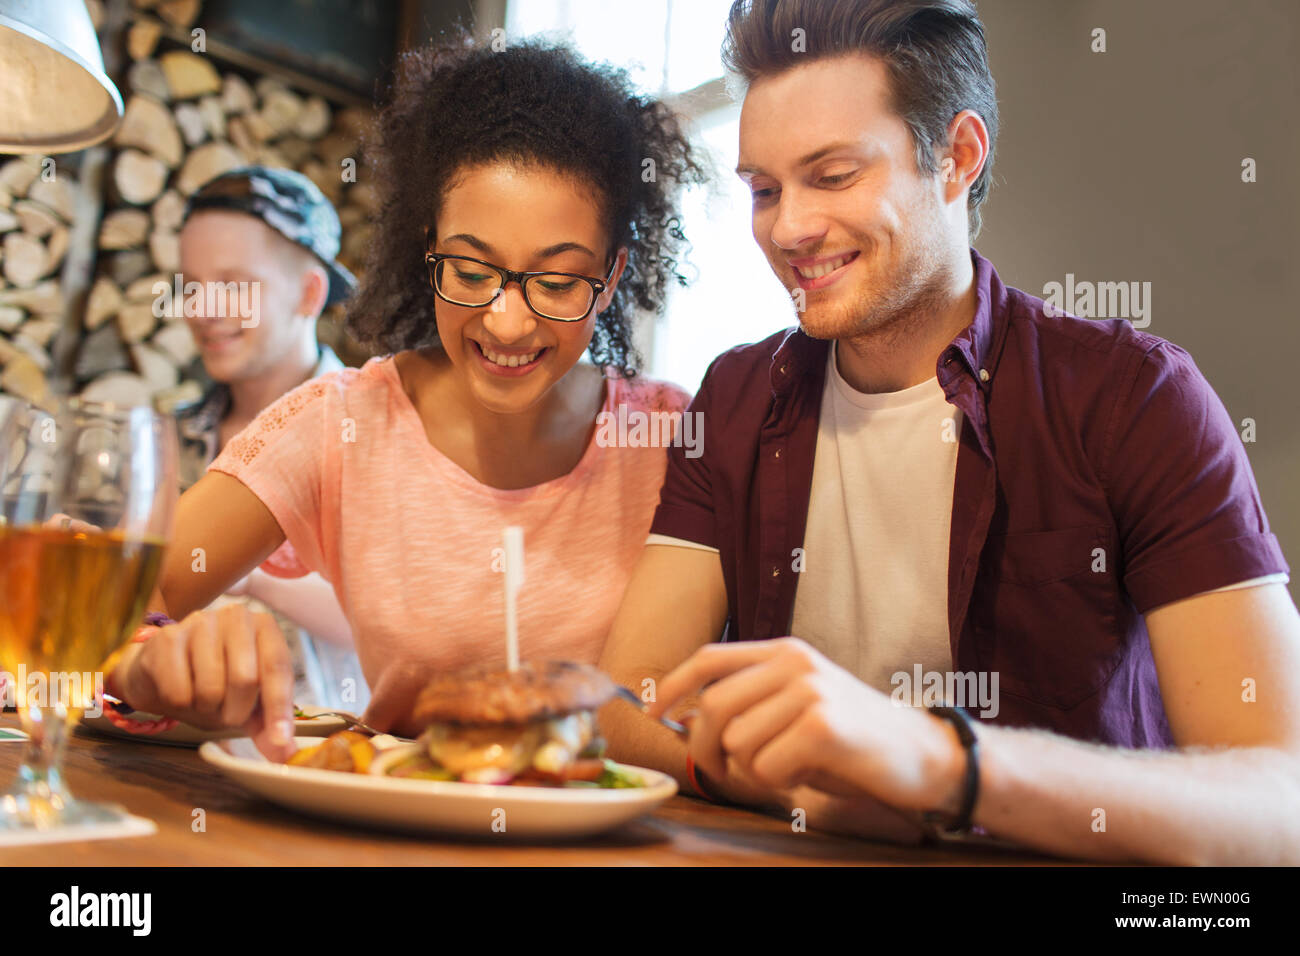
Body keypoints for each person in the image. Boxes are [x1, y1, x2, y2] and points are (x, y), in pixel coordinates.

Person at [598, 0, 1300, 865]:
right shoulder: (738, 396)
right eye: (765, 190)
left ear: (959, 157)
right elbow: (626, 710)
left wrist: (939, 762)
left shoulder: (1132, 397)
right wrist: (805, 786)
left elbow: (1279, 801)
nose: (787, 229)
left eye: (834, 174)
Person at [103, 36, 702, 754]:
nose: (507, 321)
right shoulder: (341, 422)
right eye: (472, 270)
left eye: (556, 281)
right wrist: (149, 662)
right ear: (429, 249)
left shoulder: (673, 436)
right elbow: (118, 593)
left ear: (610, 278)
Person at [175, 166, 365, 710]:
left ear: (309, 294)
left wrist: (245, 575)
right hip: (166, 750)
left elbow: (403, 619)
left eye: (233, 286)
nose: (202, 310)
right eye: (190, 287)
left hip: (327, 760)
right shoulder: (170, 439)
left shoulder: (376, 430)